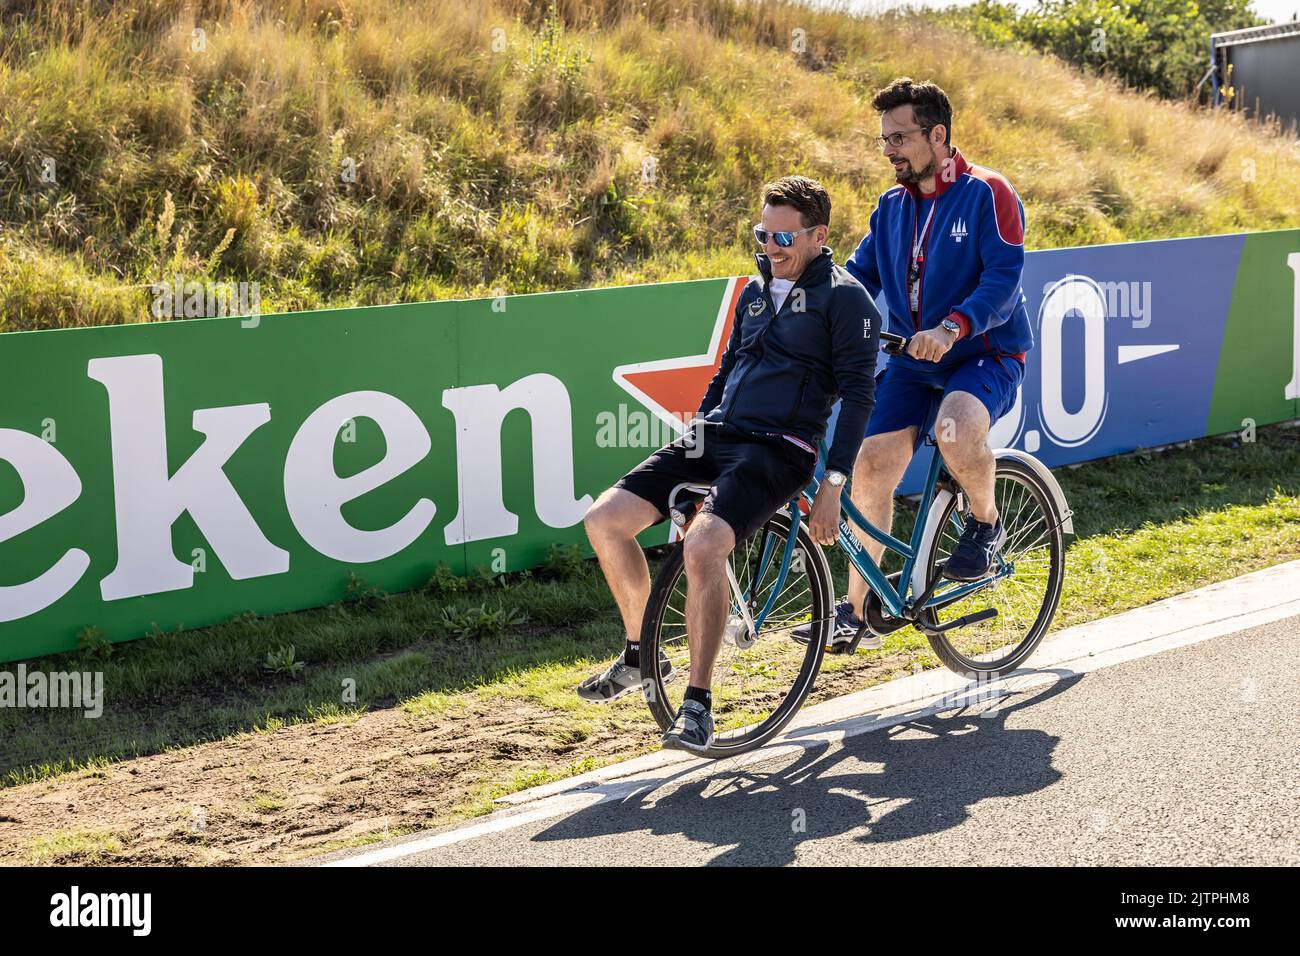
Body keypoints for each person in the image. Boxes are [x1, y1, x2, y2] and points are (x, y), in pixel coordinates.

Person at [575, 175, 881, 753]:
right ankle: (642, 655)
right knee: (604, 520)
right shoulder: (757, 290)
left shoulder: (846, 299)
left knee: (703, 544)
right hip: (719, 433)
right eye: (763, 234)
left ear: (819, 235)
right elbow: (727, 370)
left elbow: (859, 395)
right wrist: (701, 426)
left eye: (784, 237)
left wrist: (835, 484)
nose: (771, 247)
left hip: (782, 446)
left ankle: (697, 705)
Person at [806, 77, 1034, 651]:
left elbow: (1003, 281)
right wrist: (808, 307)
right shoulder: (890, 207)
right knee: (872, 463)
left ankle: (985, 524)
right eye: (884, 140)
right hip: (913, 359)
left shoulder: (989, 193)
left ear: (938, 135)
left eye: (901, 137)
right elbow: (858, 279)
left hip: (984, 353)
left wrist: (952, 326)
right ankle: (856, 609)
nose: (890, 151)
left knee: (955, 428)